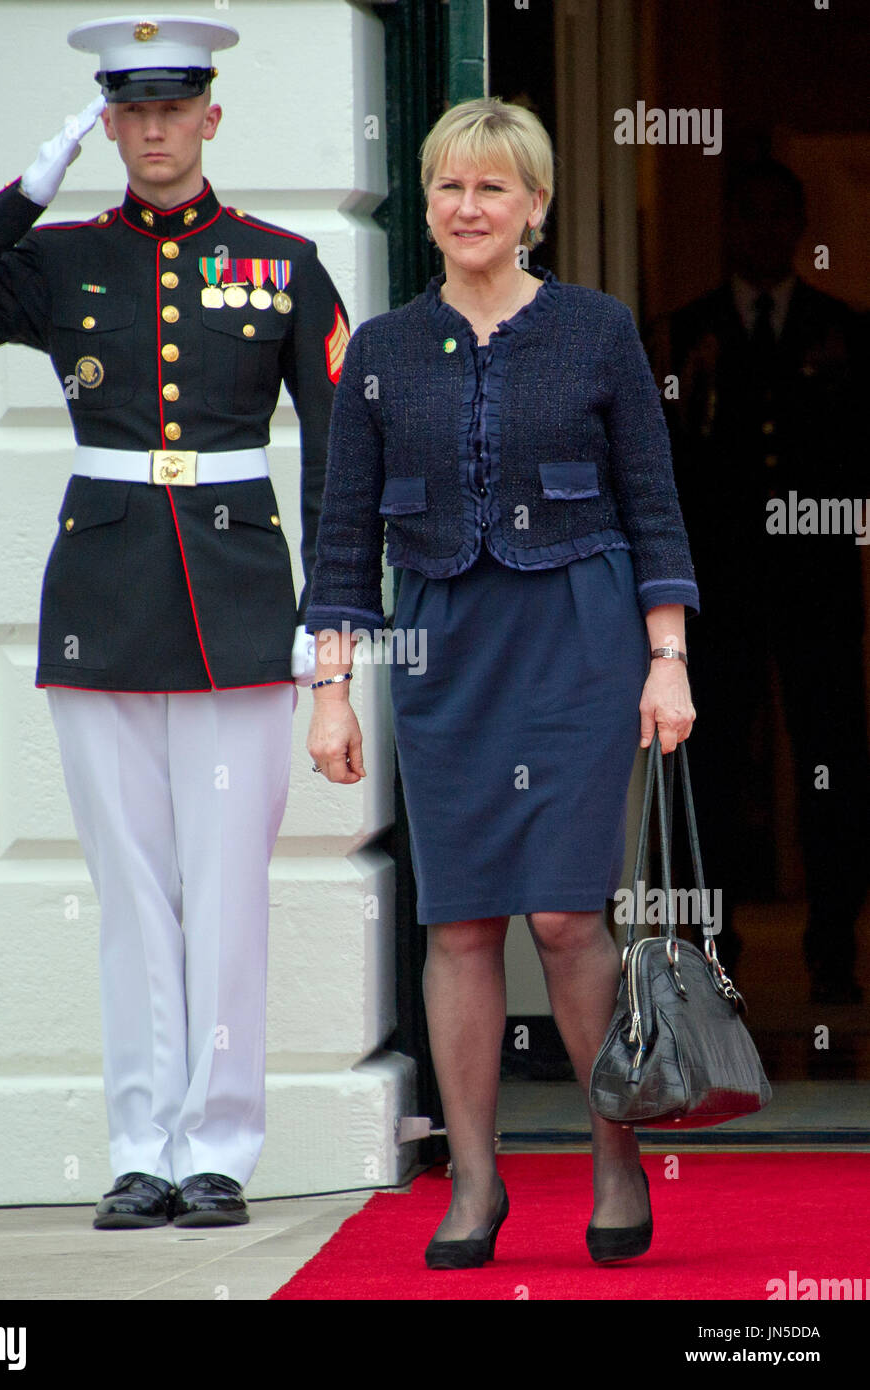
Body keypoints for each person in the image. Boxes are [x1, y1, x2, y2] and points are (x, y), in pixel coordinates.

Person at [0, 16, 349, 1228]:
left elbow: (339, 459)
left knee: (228, 892)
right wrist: (26, 190)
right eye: (128, 111)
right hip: (100, 600)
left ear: (209, 115)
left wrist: (330, 620)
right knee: (132, 892)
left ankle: (221, 1150)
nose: (151, 130)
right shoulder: (60, 260)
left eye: (171, 106)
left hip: (240, 603)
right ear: (108, 123)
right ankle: (142, 1145)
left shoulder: (282, 261)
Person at [304, 97, 699, 1268]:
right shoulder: (377, 350)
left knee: (571, 914)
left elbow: (651, 503)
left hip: (580, 634)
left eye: (491, 189)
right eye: (447, 188)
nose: (466, 208)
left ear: (532, 206)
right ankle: (473, 1183)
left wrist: (667, 657)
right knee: (461, 918)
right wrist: (331, 685)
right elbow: (340, 538)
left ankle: (613, 1150)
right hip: (441, 642)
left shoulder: (595, 330)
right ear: (424, 204)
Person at [654, 159, 869, 1006]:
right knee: (709, 772)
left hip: (815, 587)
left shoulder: (843, 331)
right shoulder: (680, 332)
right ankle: (711, 950)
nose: (764, 231)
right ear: (728, 226)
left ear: (798, 226)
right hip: (720, 591)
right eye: (749, 214)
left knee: (833, 769)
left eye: (781, 215)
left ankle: (833, 949)